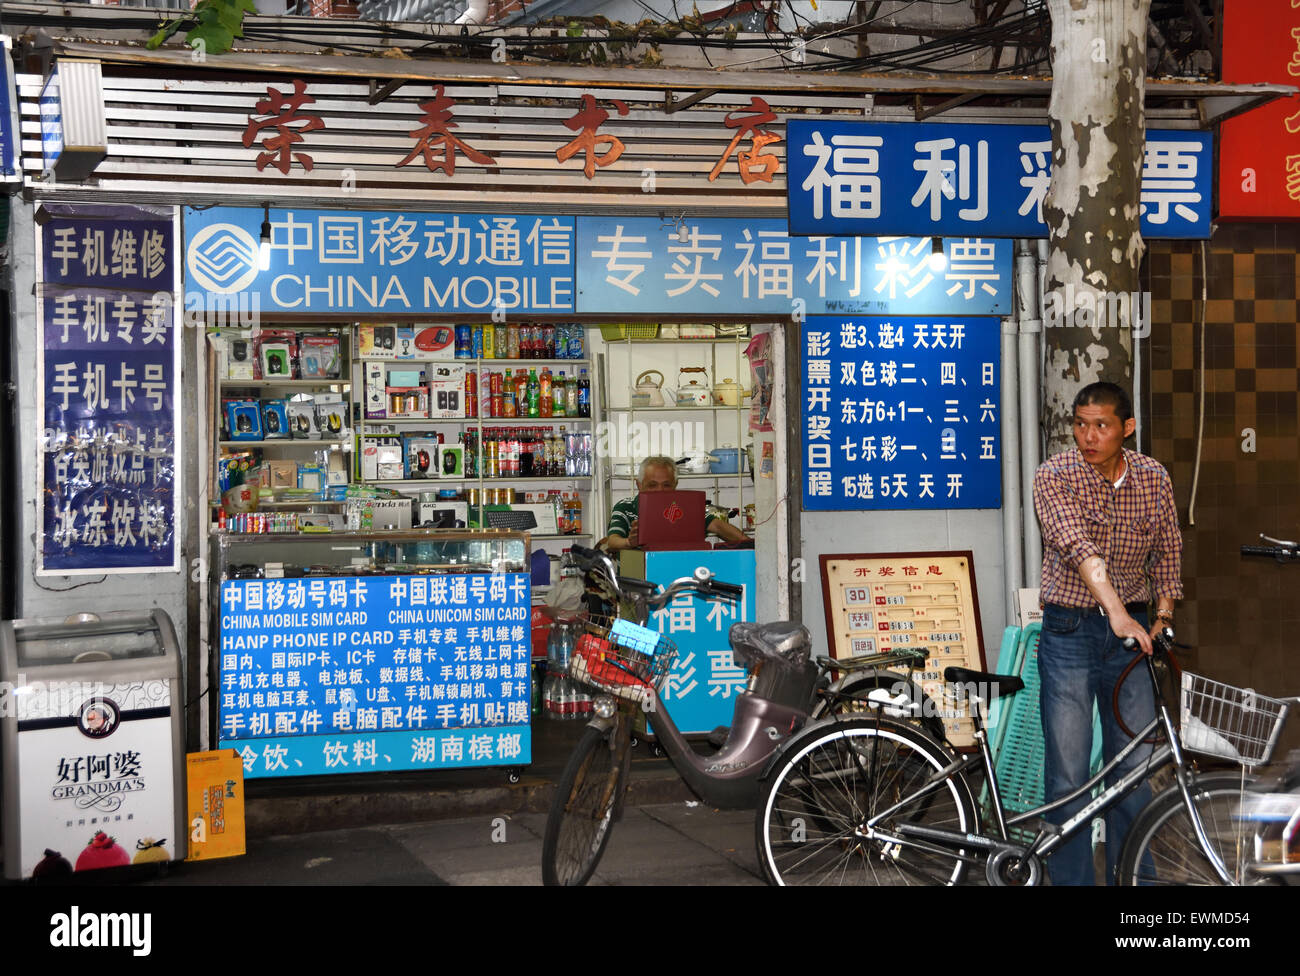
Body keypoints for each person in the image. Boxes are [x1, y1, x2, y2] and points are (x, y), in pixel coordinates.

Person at [1032, 381, 1182, 886]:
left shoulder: (1153, 478)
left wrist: (1161, 616)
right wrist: (1117, 612)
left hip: (1133, 637)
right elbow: (1078, 548)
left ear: (1127, 428)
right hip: (1069, 630)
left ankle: (1137, 881)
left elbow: (1167, 552)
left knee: (1133, 768)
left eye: (1101, 425)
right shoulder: (1055, 475)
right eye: (1079, 424)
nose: (1088, 436)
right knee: (1069, 772)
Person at [602, 456, 748, 551]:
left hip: (681, 577)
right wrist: (629, 542)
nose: (660, 490)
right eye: (652, 485)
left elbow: (717, 526)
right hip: (638, 582)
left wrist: (751, 546)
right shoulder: (625, 506)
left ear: (675, 484)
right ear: (639, 485)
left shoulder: (685, 506)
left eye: (666, 485)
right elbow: (612, 541)